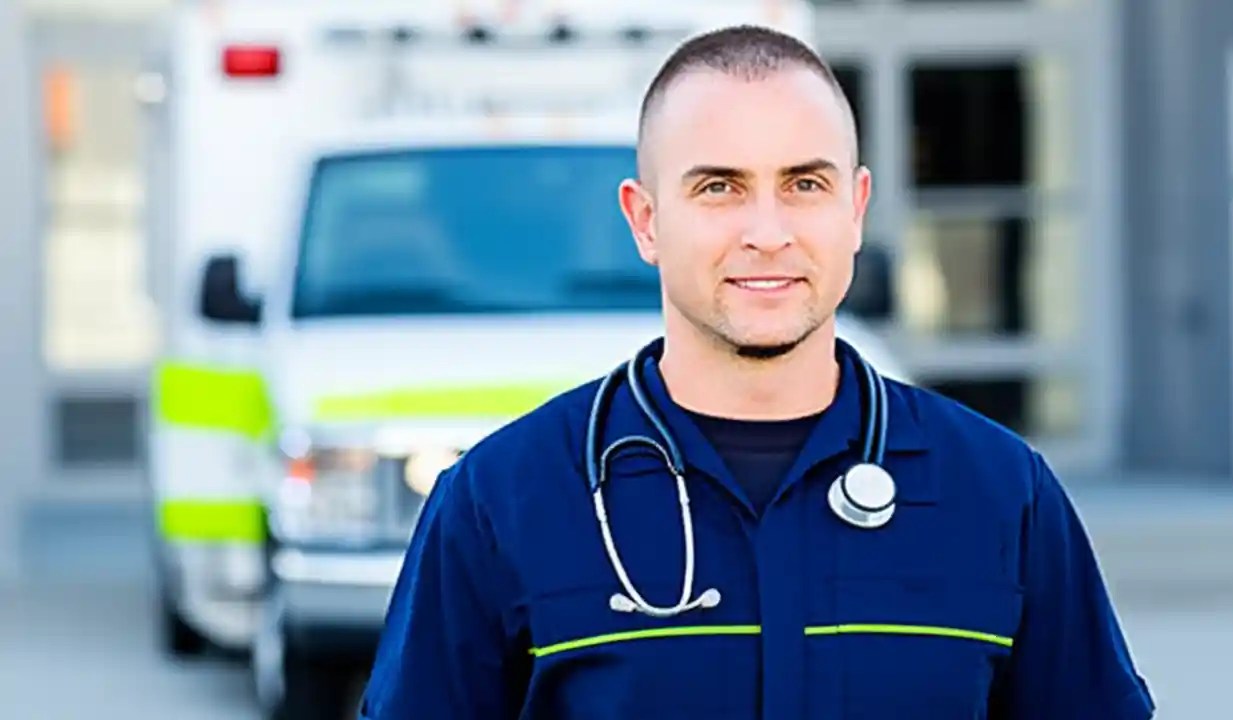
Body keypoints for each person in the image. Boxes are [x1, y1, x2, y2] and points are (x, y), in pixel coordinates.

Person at [358, 25, 1155, 720]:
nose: (767, 232)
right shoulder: (503, 500)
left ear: (855, 209)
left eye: (805, 184)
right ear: (645, 220)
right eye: (719, 188)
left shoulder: (1001, 493)